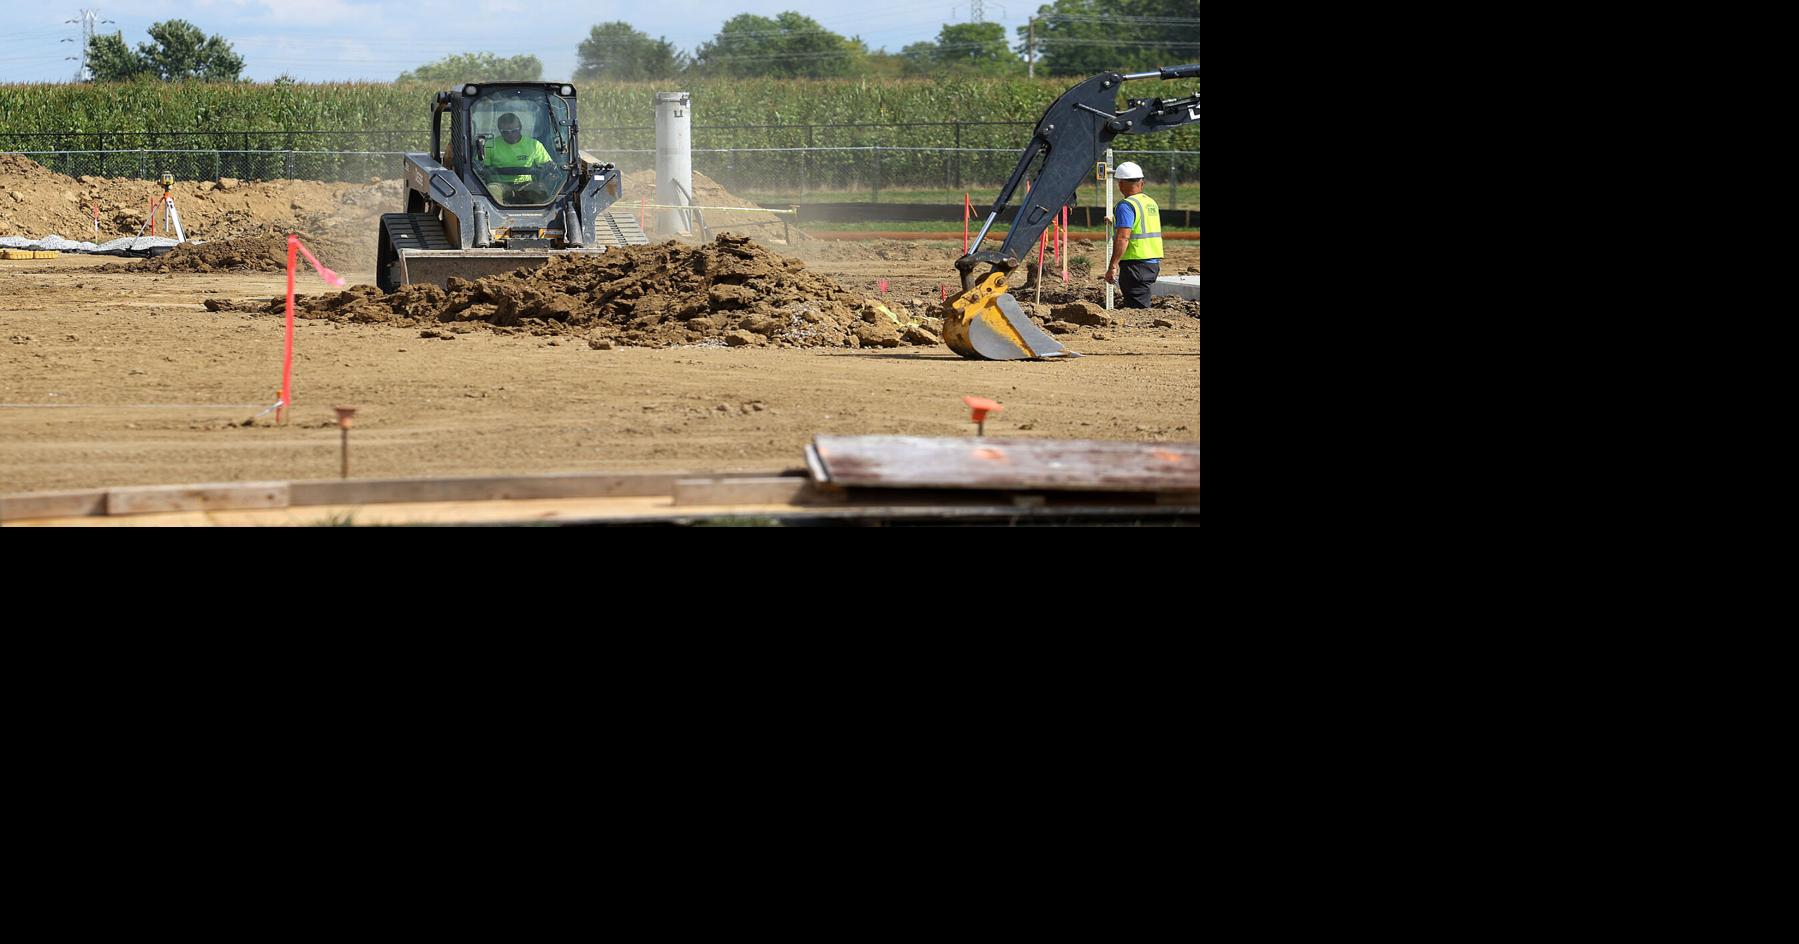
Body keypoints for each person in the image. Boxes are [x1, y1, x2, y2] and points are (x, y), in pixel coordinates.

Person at [1102, 161, 1163, 308]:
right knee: (1140, 303)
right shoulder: (1150, 202)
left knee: (1138, 310)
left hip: (1135, 265)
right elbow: (1140, 225)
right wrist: (1116, 220)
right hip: (1152, 263)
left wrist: (1112, 266)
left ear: (1121, 184)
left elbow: (1123, 237)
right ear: (1142, 183)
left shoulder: (1126, 205)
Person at [482, 112, 554, 202]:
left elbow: (548, 165)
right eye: (505, 132)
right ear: (499, 131)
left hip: (527, 185)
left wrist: (549, 171)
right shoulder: (490, 145)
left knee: (541, 191)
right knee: (491, 191)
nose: (510, 135)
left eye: (514, 131)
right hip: (500, 184)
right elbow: (481, 168)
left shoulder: (534, 145)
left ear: (520, 128)